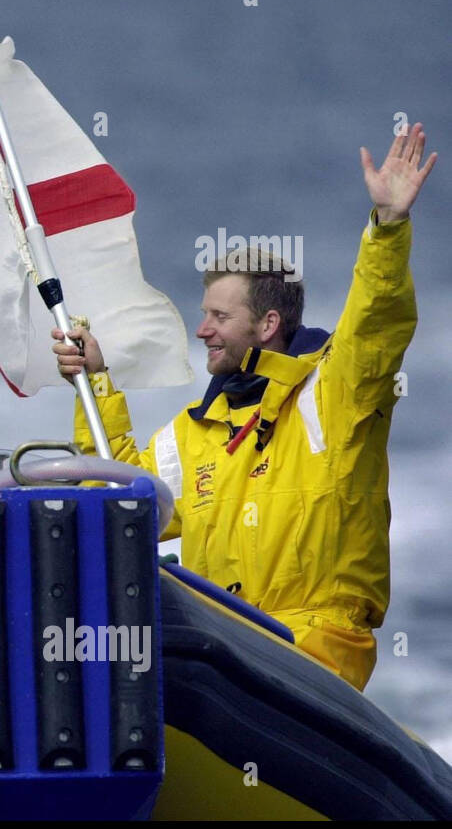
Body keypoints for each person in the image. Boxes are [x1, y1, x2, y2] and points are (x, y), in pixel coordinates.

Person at [51, 124, 436, 691]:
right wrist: (97, 382)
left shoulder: (335, 395)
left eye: (219, 317)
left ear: (269, 325)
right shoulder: (195, 432)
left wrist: (387, 227)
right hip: (222, 654)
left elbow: (374, 324)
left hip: (314, 652)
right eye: (204, 314)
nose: (202, 329)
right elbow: (118, 503)